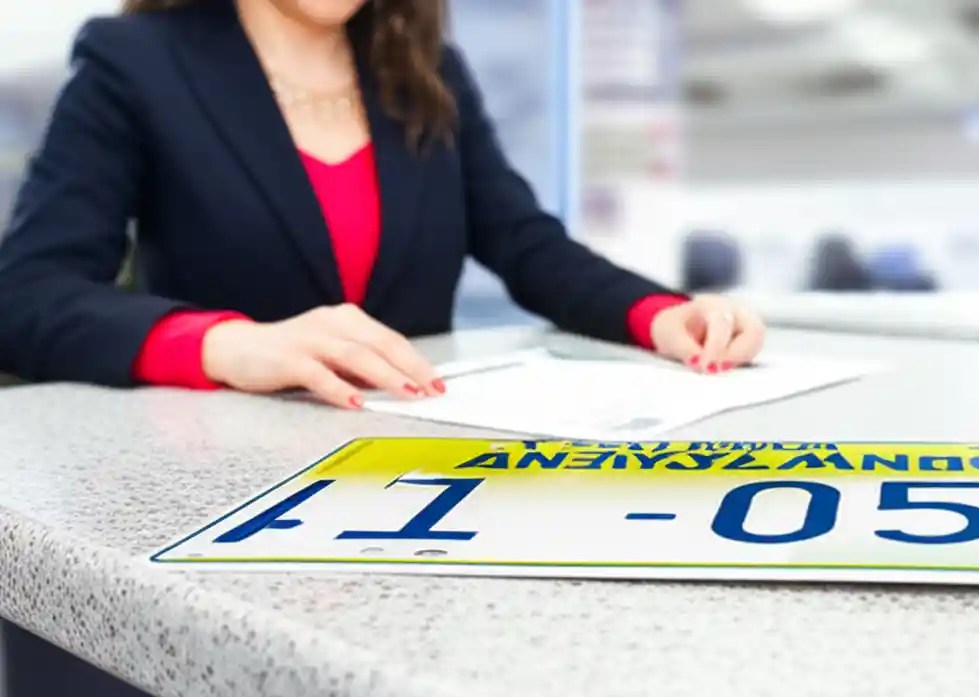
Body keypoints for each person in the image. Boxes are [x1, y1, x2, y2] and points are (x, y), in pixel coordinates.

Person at [0, 0, 766, 408]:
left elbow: (525, 243)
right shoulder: (135, 61)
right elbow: (28, 294)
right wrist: (230, 346)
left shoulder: (426, 70)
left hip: (408, 471)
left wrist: (659, 314)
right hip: (214, 475)